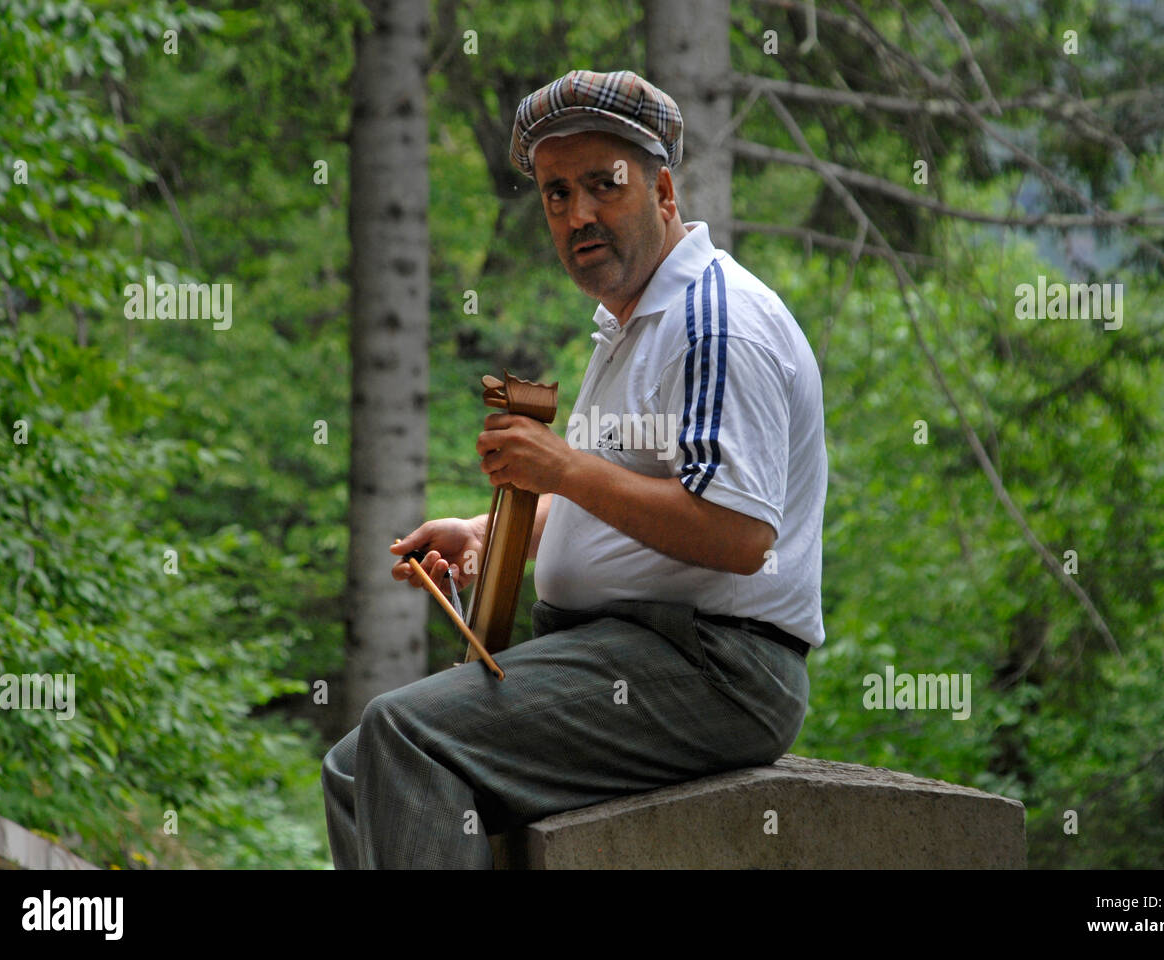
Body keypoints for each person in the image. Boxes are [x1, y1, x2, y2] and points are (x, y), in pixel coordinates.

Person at [321, 69, 827, 869]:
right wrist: (493, 533)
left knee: (406, 735)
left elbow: (740, 535)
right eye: (557, 195)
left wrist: (561, 469)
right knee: (354, 767)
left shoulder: (716, 322)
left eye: (603, 184)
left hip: (713, 668)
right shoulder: (632, 328)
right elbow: (620, 500)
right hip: (635, 652)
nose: (578, 214)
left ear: (662, 190)